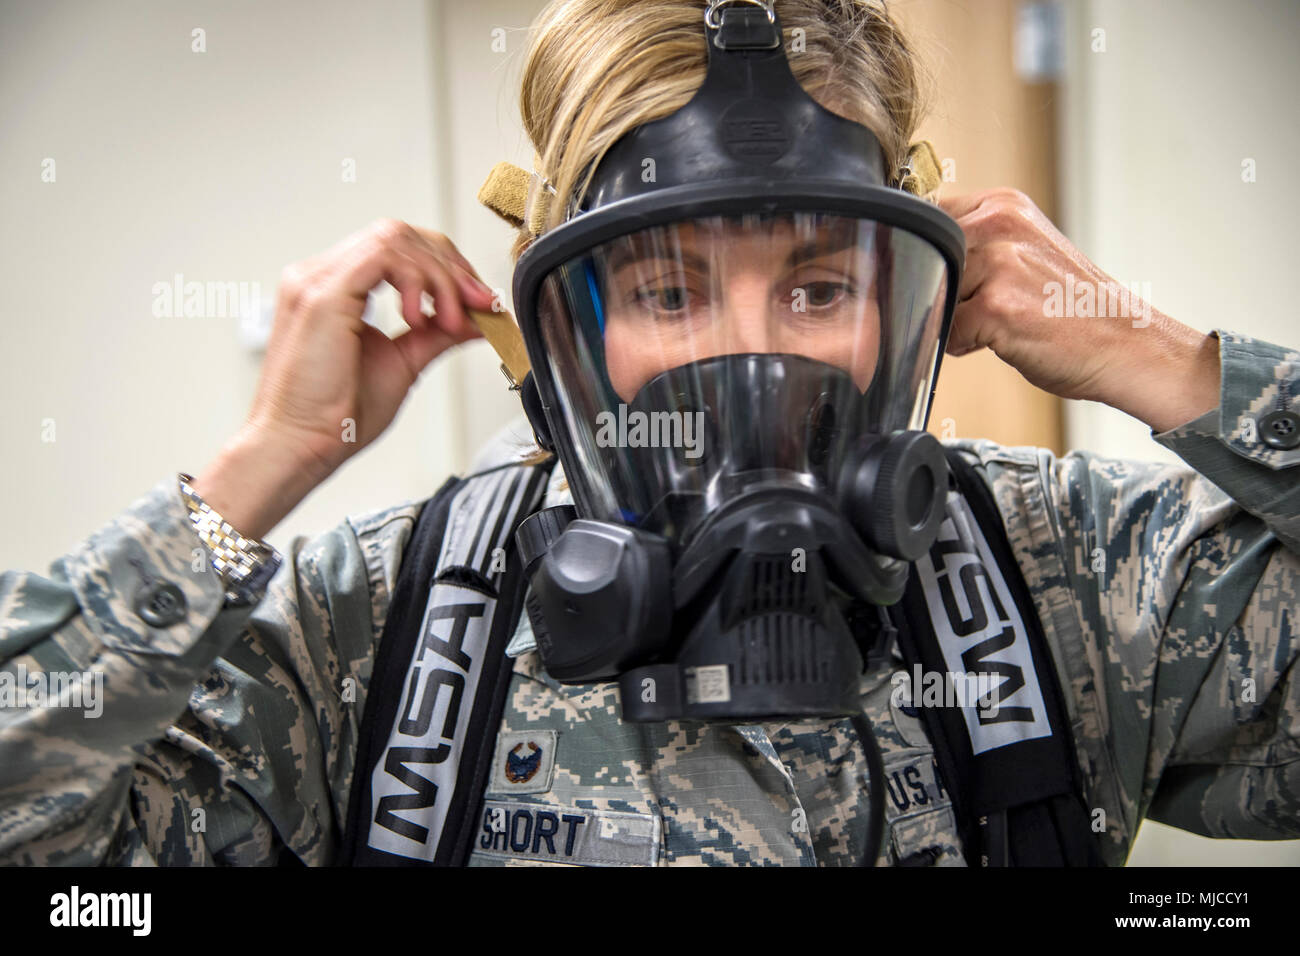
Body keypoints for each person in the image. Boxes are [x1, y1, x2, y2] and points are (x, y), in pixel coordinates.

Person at [1, 0, 1296, 868]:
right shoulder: (384, 632)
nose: (758, 359)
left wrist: (1163, 362)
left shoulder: (1070, 578)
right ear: (572, 325)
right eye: (672, 292)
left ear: (907, 299)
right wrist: (255, 472)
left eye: (817, 287)